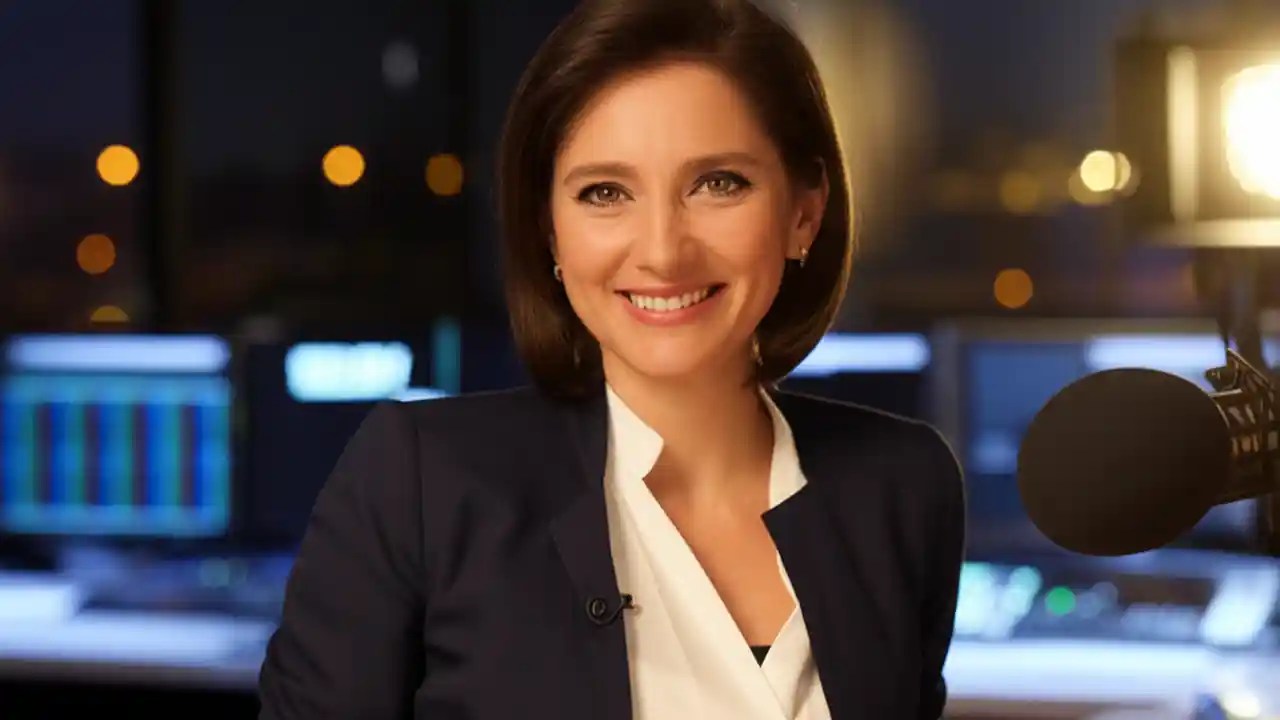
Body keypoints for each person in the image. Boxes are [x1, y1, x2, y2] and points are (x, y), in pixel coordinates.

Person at [256, 0, 965, 718]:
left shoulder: (903, 488)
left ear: (803, 213)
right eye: (605, 193)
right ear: (550, 231)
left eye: (718, 183)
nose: (662, 251)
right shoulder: (419, 484)